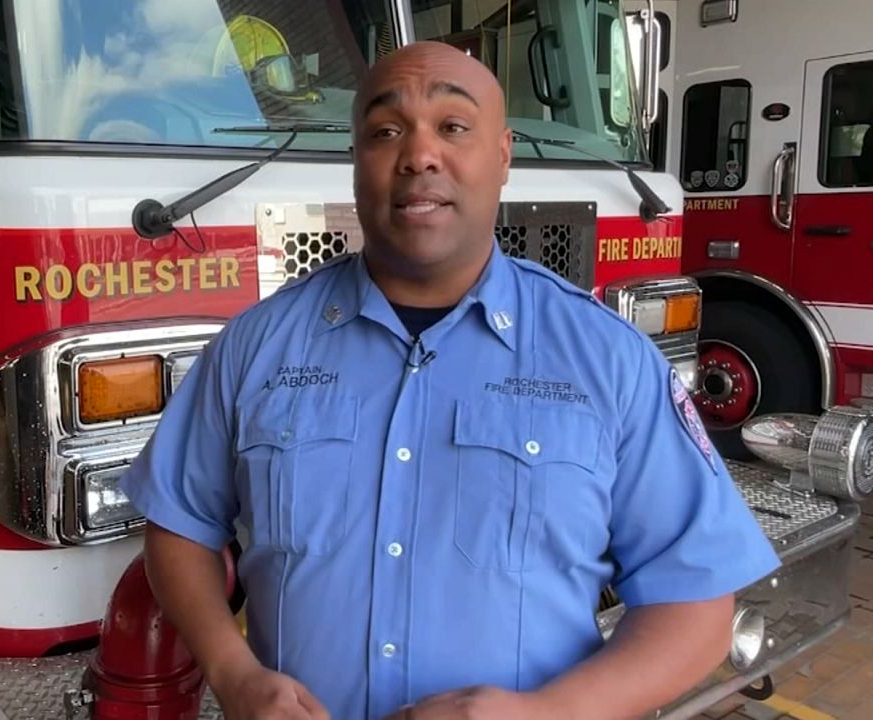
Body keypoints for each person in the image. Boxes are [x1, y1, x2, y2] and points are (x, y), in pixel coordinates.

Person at [118, 41, 781, 720]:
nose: (419, 155)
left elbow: (696, 602)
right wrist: (231, 670)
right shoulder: (255, 346)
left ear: (503, 156)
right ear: (355, 160)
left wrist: (547, 714)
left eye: (454, 126)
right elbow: (179, 526)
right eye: (386, 132)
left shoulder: (608, 358)